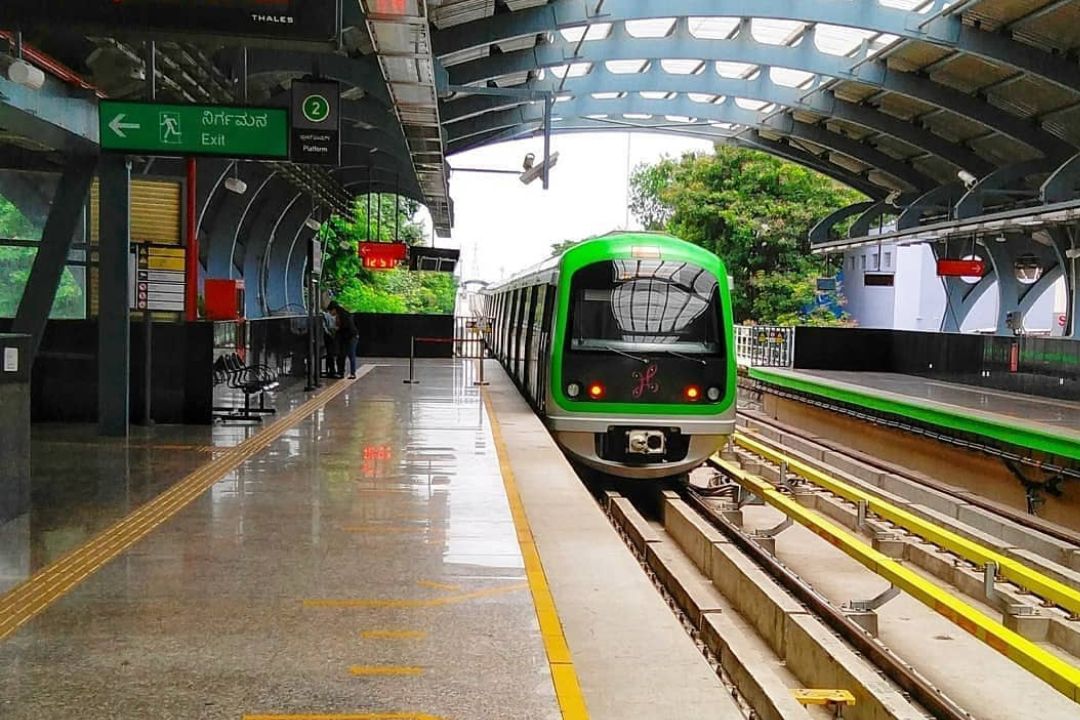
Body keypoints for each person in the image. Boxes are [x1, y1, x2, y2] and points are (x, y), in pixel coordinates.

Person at [329, 302, 358, 379]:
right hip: (346, 337)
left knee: (350, 354)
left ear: (334, 309)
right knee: (342, 355)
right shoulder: (342, 314)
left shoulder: (343, 316)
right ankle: (342, 372)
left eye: (330, 311)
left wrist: (337, 329)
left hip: (350, 337)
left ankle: (352, 373)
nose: (330, 313)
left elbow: (345, 327)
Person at [322, 304, 340, 378]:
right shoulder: (327, 316)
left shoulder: (327, 316)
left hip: (329, 337)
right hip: (329, 338)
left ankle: (331, 371)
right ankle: (331, 371)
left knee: (330, 355)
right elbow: (327, 328)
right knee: (330, 355)